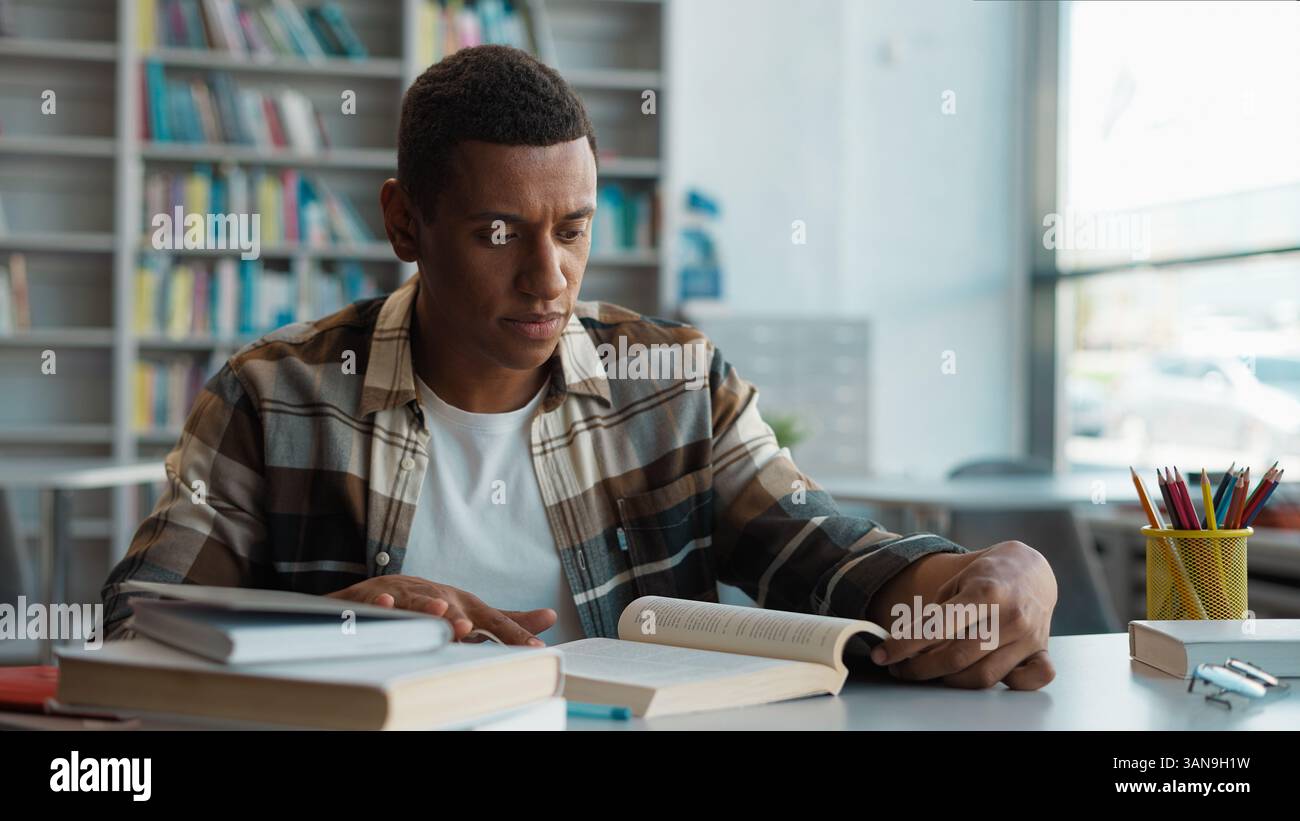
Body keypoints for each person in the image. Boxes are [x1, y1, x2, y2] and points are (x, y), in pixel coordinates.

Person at [102, 45, 1057, 690]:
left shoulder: (677, 384)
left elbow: (823, 551)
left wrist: (987, 575)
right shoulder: (273, 396)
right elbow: (133, 624)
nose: (548, 277)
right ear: (404, 222)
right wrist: (326, 628)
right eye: (498, 232)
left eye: (572, 230)